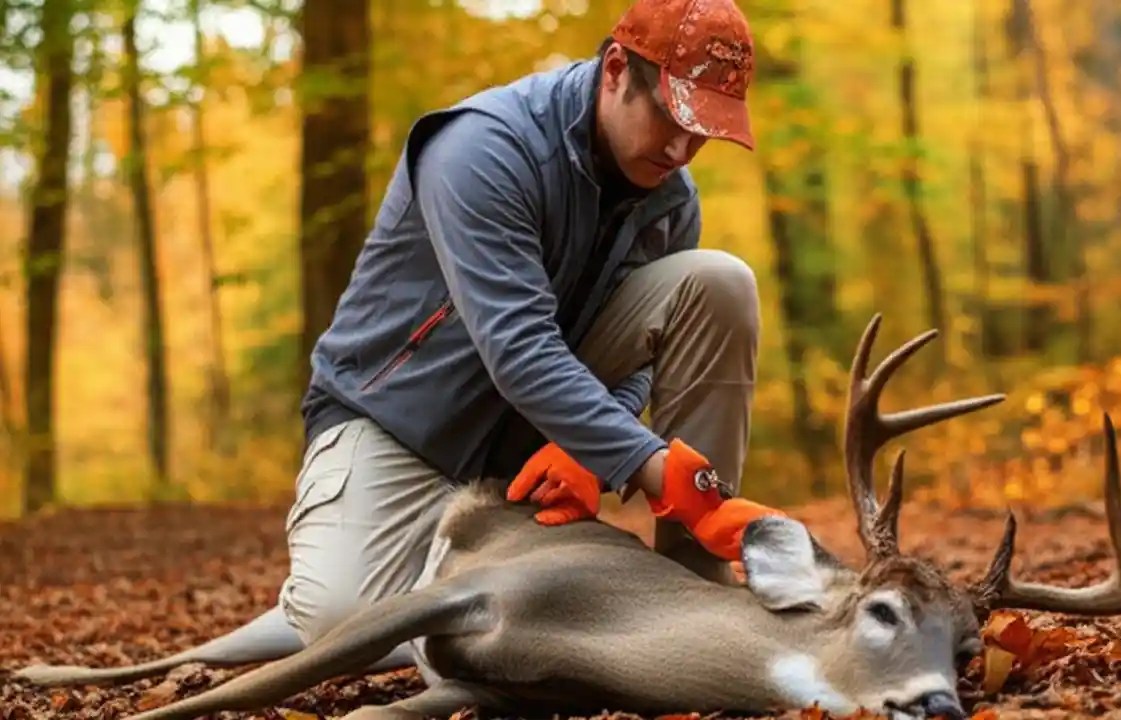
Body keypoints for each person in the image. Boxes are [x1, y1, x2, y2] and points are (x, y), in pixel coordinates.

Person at [180, 0, 788, 680]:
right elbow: (519, 347)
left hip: (524, 439)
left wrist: (599, 445)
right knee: (341, 630)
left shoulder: (671, 199)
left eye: (702, 133)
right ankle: (357, 585)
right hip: (398, 426)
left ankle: (695, 588)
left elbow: (647, 347)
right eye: (671, 120)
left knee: (718, 283)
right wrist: (658, 468)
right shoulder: (484, 149)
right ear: (616, 70)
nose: (681, 150)